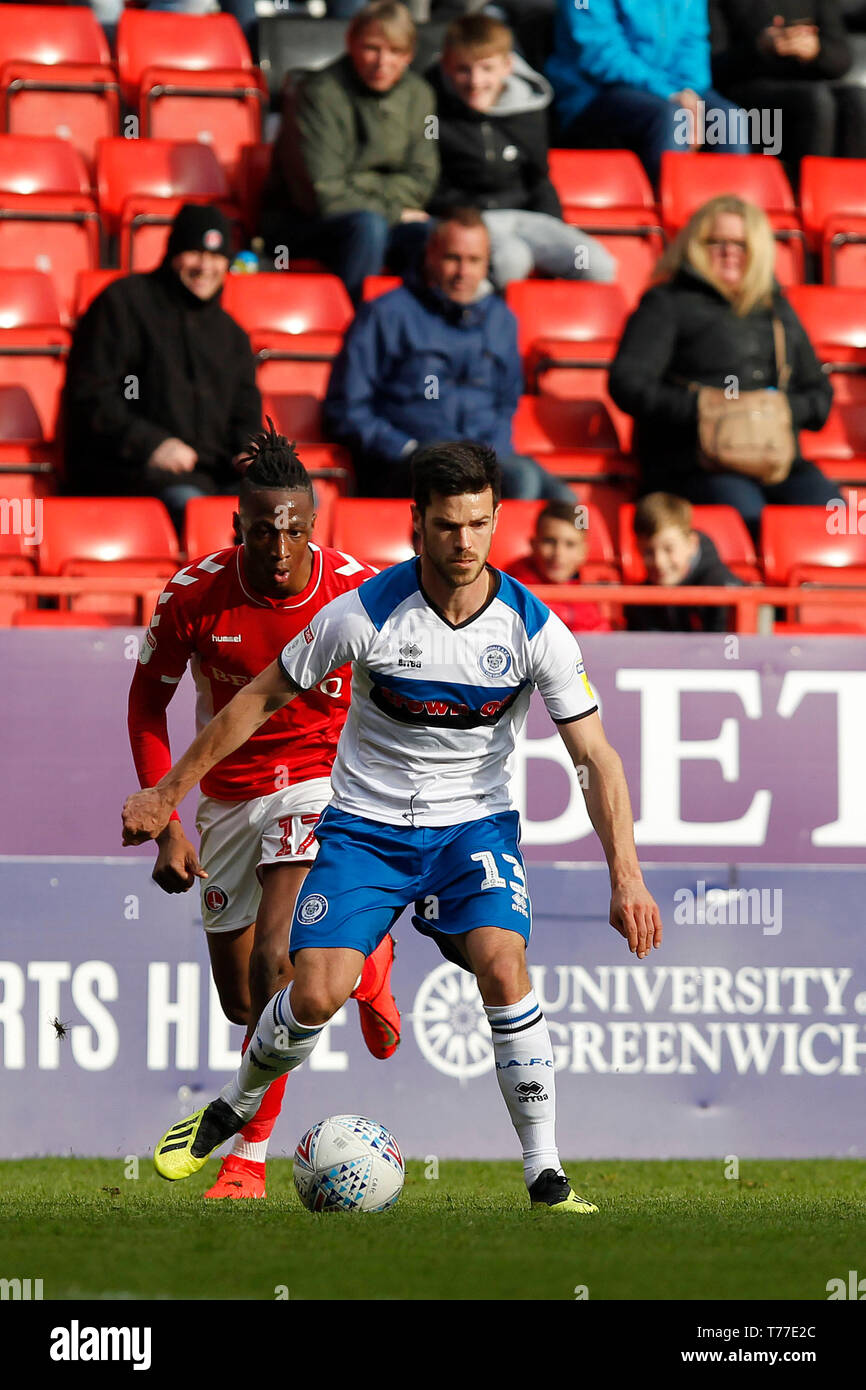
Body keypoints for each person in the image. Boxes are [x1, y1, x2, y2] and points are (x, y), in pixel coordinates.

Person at [122, 440, 664, 1214]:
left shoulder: (534, 629)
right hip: (367, 829)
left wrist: (628, 876)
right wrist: (167, 793)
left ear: (497, 519)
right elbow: (257, 699)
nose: (465, 542)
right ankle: (235, 1105)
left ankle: (546, 1174)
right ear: (417, 524)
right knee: (306, 995)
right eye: (448, 525)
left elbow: (596, 758)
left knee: (504, 964)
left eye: (479, 523)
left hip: (468, 833)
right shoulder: (364, 613)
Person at [126, 424, 400, 1200]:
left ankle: (248, 1160)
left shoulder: (359, 592)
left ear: (315, 525)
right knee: (246, 1001)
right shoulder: (194, 594)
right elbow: (148, 703)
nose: (278, 548)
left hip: (325, 783)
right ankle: (368, 969)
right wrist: (171, 824)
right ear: (236, 528)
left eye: (294, 530)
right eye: (260, 531)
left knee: (279, 959)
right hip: (228, 801)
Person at [608, 194, 841, 538]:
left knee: (832, 516)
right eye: (716, 241)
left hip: (776, 464)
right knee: (745, 516)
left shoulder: (778, 309)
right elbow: (627, 383)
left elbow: (819, 396)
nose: (729, 251)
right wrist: (703, 409)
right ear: (695, 246)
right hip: (692, 465)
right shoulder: (666, 303)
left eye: (741, 244)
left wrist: (775, 409)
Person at [324, 205, 575, 501]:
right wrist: (404, 448)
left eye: (473, 260)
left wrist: (492, 453)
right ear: (430, 254)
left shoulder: (501, 319)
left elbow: (506, 402)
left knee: (567, 505)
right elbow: (347, 409)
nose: (462, 272)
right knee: (522, 482)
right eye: (452, 258)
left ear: (486, 263)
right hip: (405, 466)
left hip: (483, 461)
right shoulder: (385, 314)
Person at [63, 204, 261, 535]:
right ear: (173, 253)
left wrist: (248, 453)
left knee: (292, 501)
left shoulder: (232, 335)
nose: (205, 267)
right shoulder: (123, 303)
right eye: (194, 253)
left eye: (215, 257)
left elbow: (246, 412)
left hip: (214, 479)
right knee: (192, 506)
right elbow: (91, 394)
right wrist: (151, 444)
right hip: (130, 475)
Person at [260, 1, 439, 304]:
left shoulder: (420, 96)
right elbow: (322, 192)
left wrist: (361, 187)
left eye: (395, 52)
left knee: (433, 236)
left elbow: (424, 179)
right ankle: (353, 330)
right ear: (350, 43)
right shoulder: (317, 92)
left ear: (409, 56)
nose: (382, 62)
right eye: (372, 48)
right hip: (303, 224)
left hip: (380, 219)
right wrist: (394, 210)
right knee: (368, 227)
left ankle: (417, 333)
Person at [427, 14, 616, 288]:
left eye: (486, 69)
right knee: (511, 260)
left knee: (595, 263)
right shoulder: (430, 112)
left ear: (507, 66)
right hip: (470, 221)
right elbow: (430, 181)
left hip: (526, 217)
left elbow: (539, 177)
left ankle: (566, 327)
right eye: (463, 69)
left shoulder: (528, 109)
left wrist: (554, 226)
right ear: (446, 66)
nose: (475, 81)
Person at [547, 0, 750, 185]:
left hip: (672, 89)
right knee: (672, 116)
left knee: (728, 118)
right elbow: (600, 53)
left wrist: (689, 90)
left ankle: (735, 216)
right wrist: (670, 93)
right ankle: (673, 212)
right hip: (593, 95)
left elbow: (693, 42)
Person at [709, 1, 865, 178]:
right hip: (748, 88)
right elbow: (714, 66)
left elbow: (842, 60)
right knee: (815, 101)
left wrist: (816, 50)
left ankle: (852, 195)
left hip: (810, 85)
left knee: (857, 98)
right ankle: (808, 193)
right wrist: (759, 48)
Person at [624, 492, 745, 632]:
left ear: (691, 544)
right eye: (648, 552)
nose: (659, 562)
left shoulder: (722, 591)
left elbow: (732, 651)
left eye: (668, 549)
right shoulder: (639, 603)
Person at [505, 501, 612, 632]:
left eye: (570, 544)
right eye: (549, 541)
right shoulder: (513, 589)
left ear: (583, 552)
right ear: (533, 544)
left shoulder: (591, 594)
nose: (559, 553)